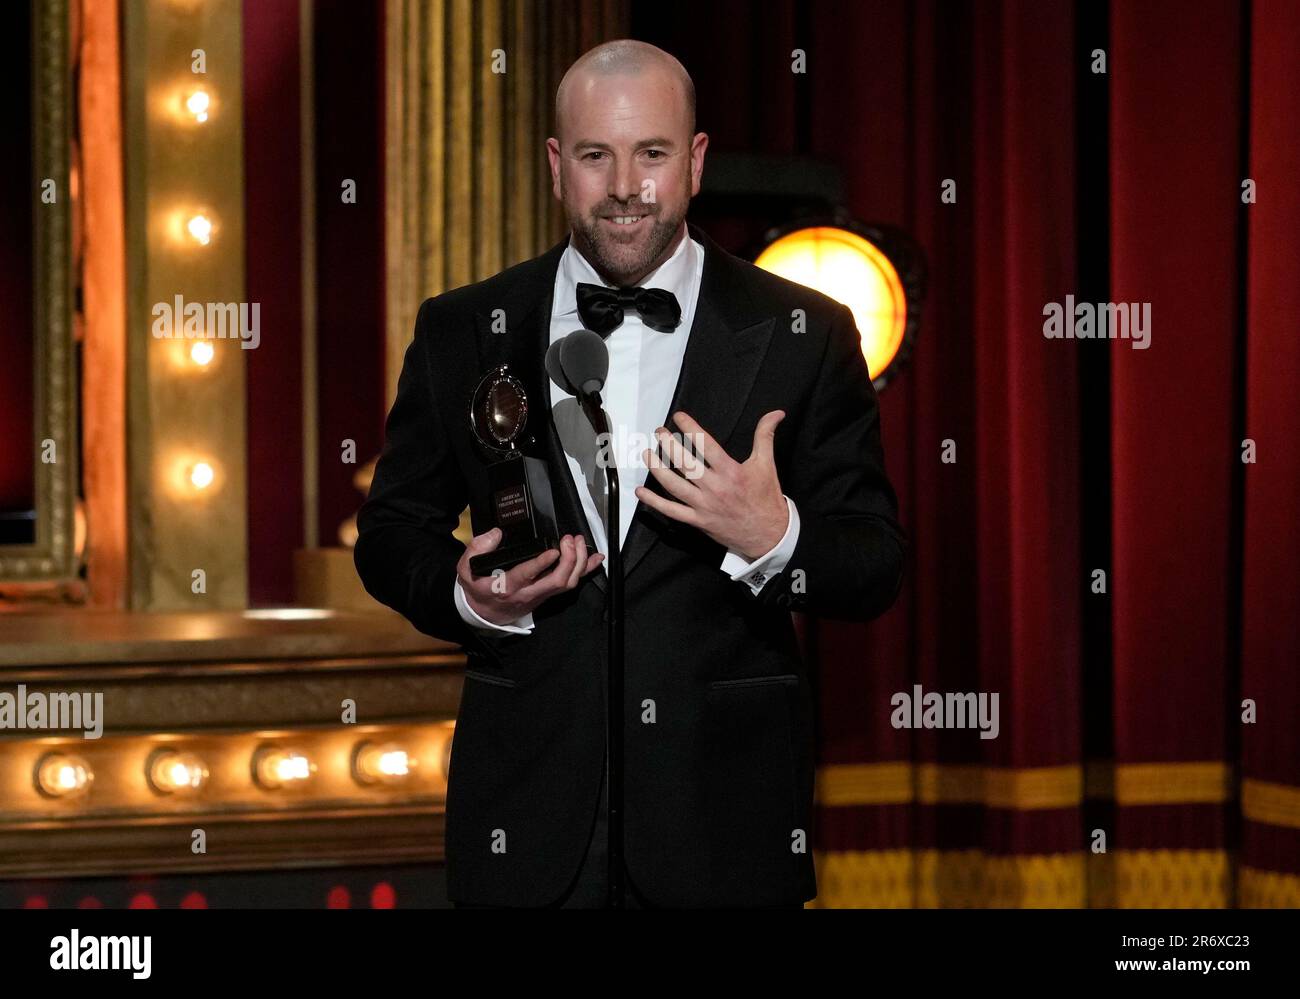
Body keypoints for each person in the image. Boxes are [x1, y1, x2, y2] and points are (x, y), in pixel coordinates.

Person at [353, 39, 906, 908]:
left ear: (693, 162)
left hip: (723, 829)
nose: (623, 185)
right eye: (594, 155)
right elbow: (389, 535)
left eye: (651, 153)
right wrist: (470, 597)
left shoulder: (809, 329)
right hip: (527, 829)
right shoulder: (464, 327)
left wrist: (775, 538)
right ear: (555, 164)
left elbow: (873, 561)